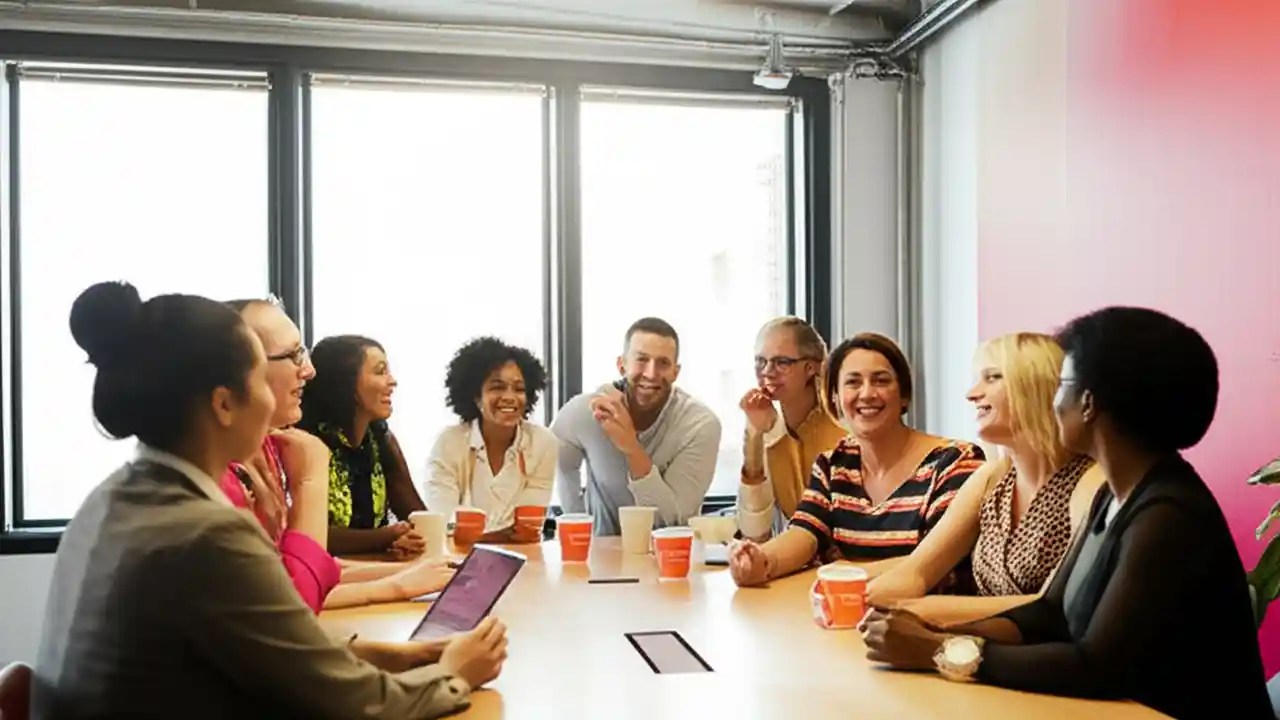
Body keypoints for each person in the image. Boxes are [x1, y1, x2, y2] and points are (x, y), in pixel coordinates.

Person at [35, 281, 506, 718]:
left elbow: (271, 643)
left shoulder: (112, 501)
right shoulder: (205, 534)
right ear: (223, 404)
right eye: (262, 376)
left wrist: (405, 654)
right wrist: (455, 672)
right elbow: (356, 706)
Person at [861, 307, 1272, 720]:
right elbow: (1049, 613)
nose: (1053, 401)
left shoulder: (1168, 516)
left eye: (1062, 385)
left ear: (1088, 402)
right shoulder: (1118, 495)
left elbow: (1097, 667)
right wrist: (938, 633)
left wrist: (939, 652)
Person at [222, 298, 453, 611]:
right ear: (242, 375)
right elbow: (292, 598)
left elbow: (310, 567)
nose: (309, 370)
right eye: (293, 355)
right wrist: (395, 584)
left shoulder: (270, 448)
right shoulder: (226, 475)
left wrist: (415, 571)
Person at [865, 332, 1104, 627]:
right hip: (979, 655)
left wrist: (925, 610)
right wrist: (856, 592)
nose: (972, 394)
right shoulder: (992, 478)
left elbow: (1055, 603)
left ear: (1034, 386)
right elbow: (916, 571)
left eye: (991, 378)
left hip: (1042, 663)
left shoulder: (1089, 481)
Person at [729, 332, 984, 587]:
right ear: (835, 399)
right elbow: (805, 533)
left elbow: (935, 560)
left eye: (881, 381)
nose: (867, 394)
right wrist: (762, 561)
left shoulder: (955, 462)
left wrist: (849, 573)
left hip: (926, 621)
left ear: (904, 395)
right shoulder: (833, 465)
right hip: (847, 617)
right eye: (852, 383)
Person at [552, 317, 721, 535]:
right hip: (598, 559)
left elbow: (671, 523)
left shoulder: (699, 425)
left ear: (675, 372)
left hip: (666, 560)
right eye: (642, 360)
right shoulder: (586, 412)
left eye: (663, 363)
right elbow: (559, 462)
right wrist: (582, 528)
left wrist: (631, 447)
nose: (651, 374)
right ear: (622, 365)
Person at [299, 335, 428, 556]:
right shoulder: (308, 443)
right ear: (346, 382)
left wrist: (407, 537)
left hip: (376, 571)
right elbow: (310, 535)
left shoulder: (381, 439)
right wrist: (386, 537)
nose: (392, 381)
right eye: (380, 372)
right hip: (329, 577)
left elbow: (417, 516)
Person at [425, 337, 557, 543]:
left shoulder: (542, 443)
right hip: (455, 563)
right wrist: (498, 536)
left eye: (519, 389)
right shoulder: (449, 442)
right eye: (497, 387)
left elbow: (526, 531)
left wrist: (477, 536)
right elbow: (443, 526)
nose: (510, 397)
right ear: (476, 397)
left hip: (522, 561)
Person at [736, 317, 846, 541]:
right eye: (760, 361)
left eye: (781, 362)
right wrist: (754, 435)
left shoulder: (843, 429)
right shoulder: (771, 427)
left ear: (810, 367)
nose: (767, 371)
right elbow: (754, 533)